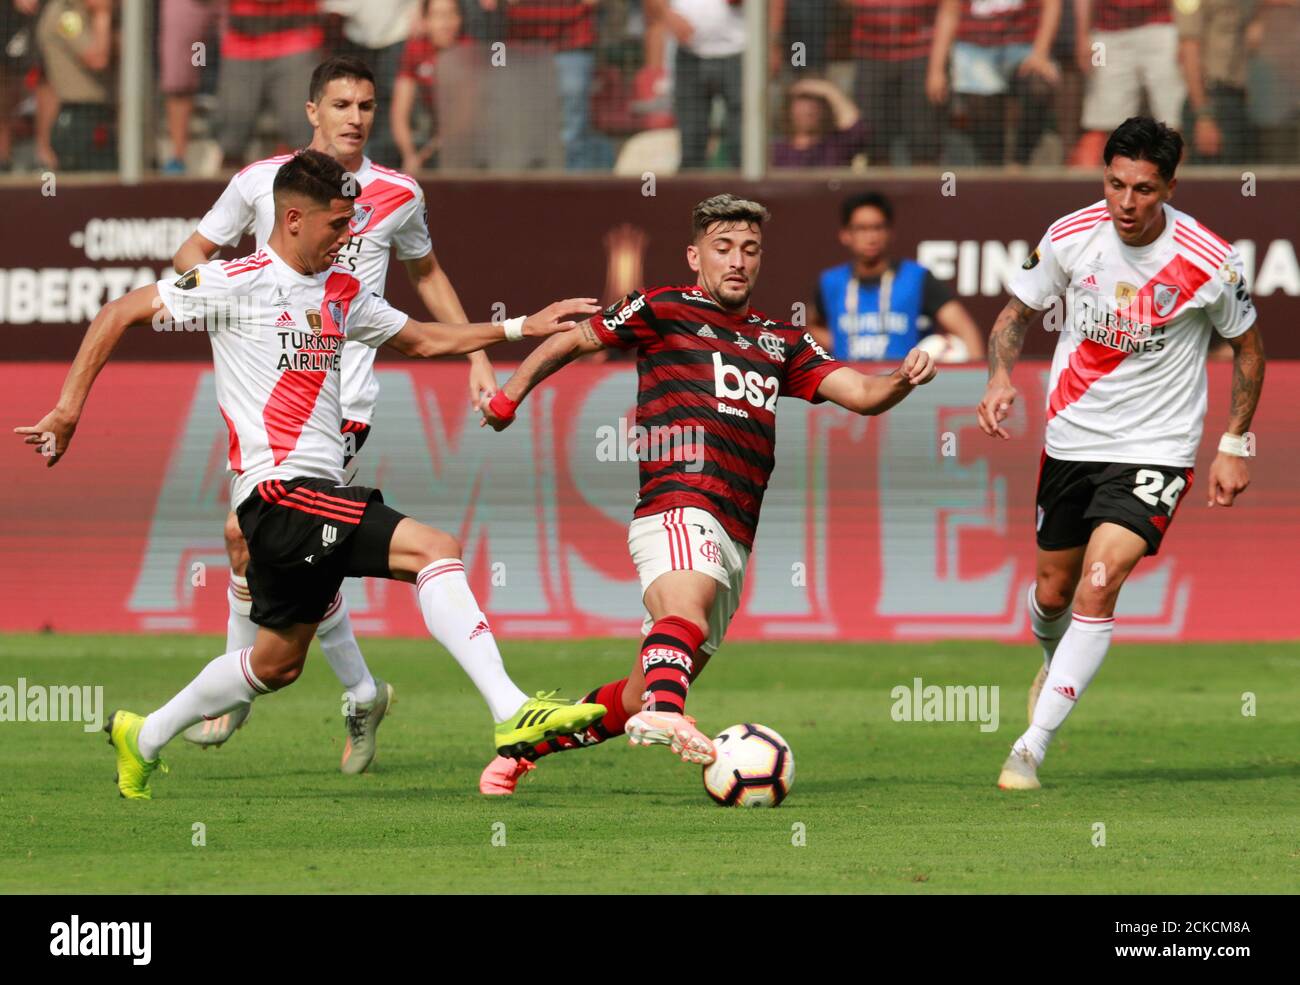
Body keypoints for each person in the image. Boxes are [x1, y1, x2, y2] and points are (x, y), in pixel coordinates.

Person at [16, 149, 608, 800]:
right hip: (277, 491)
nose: (347, 239)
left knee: (279, 663)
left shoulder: (343, 292)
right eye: (336, 226)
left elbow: (421, 340)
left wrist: (520, 325)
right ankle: (510, 710)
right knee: (435, 550)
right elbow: (119, 312)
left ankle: (144, 736)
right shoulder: (235, 282)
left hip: (309, 497)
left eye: (353, 224)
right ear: (292, 218)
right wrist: (69, 408)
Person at [475, 193, 938, 795]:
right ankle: (667, 716)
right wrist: (510, 394)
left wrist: (902, 376)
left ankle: (526, 741)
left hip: (736, 531)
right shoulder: (663, 306)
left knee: (645, 685)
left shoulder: (783, 342)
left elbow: (864, 395)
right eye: (723, 249)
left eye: (749, 250)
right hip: (676, 501)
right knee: (682, 616)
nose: (737, 261)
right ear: (696, 256)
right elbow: (574, 340)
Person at [172, 56, 498, 773]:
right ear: (312, 111)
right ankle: (348, 688)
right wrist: (195, 297)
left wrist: (476, 355)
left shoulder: (398, 193)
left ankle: (242, 685)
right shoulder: (261, 182)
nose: (356, 116)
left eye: (368, 105)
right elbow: (195, 250)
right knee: (261, 547)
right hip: (273, 388)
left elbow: (427, 275)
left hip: (340, 404)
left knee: (253, 533)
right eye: (342, 103)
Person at [977, 117, 1265, 791]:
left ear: (1169, 185)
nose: (1127, 203)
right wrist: (998, 377)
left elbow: (1247, 347)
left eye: (1143, 188)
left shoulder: (1209, 259)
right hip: (1071, 439)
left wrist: (1232, 443)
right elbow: (1016, 313)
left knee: (1100, 582)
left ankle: (1031, 744)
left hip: (1157, 448)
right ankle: (1056, 662)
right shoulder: (1071, 235)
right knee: (1052, 592)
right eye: (1115, 184)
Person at [809, 191, 984, 362]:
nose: (871, 237)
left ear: (890, 233)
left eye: (878, 228)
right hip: (851, 386)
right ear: (845, 235)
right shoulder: (830, 282)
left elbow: (966, 330)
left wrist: (980, 384)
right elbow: (811, 327)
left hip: (904, 386)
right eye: (861, 229)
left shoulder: (916, 278)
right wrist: (838, 344)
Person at [927, 0, 1061, 166]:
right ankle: (992, 170)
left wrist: (1040, 52)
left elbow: (1051, 4)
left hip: (1023, 46)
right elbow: (949, 12)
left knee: (1040, 85)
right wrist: (936, 69)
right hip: (974, 48)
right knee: (982, 113)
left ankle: (1019, 162)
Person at [1069, 0, 1184, 166]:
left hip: (1162, 27)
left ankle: (1176, 183)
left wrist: (1185, 34)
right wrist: (1082, 36)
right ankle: (1097, 186)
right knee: (1100, 122)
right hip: (1105, 35)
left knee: (1174, 118)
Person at [391, 0, 464, 175]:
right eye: (438, 15)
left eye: (451, 14)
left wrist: (425, 154)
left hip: (464, 142)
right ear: (424, 21)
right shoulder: (416, 50)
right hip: (431, 133)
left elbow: (463, 119)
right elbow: (399, 113)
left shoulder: (469, 52)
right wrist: (409, 155)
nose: (446, 23)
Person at [771, 77, 870, 169]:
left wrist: (826, 89)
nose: (806, 112)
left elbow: (856, 125)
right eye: (800, 109)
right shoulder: (777, 152)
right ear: (789, 112)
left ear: (823, 112)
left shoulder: (835, 146)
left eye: (812, 110)